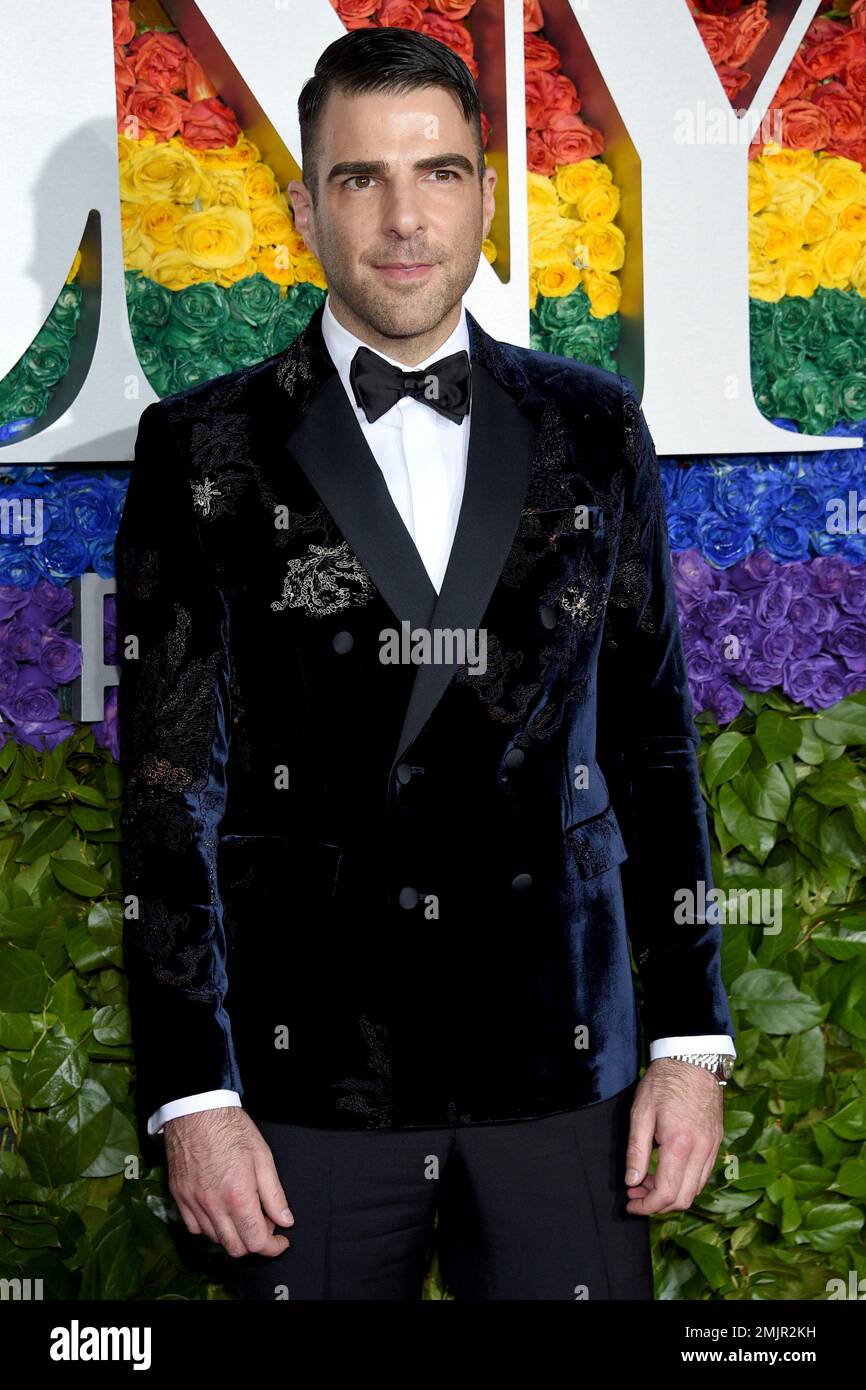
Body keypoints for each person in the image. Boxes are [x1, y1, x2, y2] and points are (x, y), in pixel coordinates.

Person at [115, 26, 736, 1302]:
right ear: (302, 206)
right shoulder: (199, 447)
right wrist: (193, 1091)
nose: (403, 219)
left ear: (486, 193)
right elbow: (170, 788)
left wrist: (686, 1037)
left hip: (561, 1068)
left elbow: (652, 742)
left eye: (438, 172)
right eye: (358, 179)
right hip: (310, 1086)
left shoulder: (594, 425)